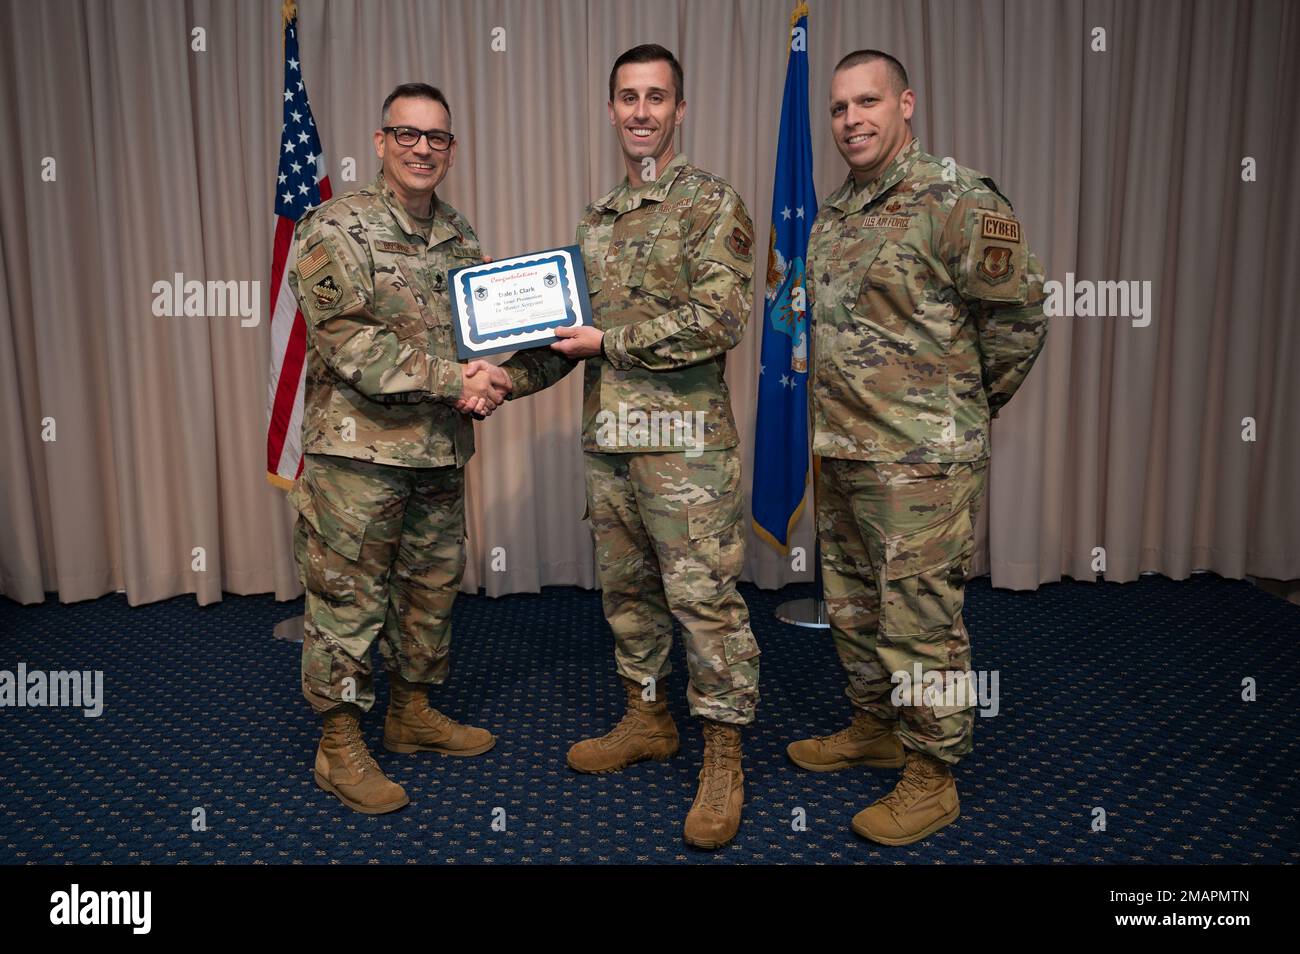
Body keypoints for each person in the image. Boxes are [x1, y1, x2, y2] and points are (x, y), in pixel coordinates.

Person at [482, 45, 759, 849]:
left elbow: (720, 322)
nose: (641, 111)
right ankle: (648, 718)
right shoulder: (595, 221)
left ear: (680, 109)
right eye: (628, 98)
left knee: (705, 605)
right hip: (610, 444)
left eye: (657, 97)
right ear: (611, 110)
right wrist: (497, 377)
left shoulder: (713, 204)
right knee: (629, 597)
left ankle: (723, 755)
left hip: (685, 450)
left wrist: (612, 340)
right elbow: (569, 343)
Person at [788, 50, 1049, 844]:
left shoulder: (958, 200)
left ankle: (932, 775)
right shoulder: (839, 210)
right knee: (857, 607)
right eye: (838, 109)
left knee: (921, 620)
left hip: (921, 463)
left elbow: (1017, 323)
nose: (851, 120)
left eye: (867, 102)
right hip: (844, 450)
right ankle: (874, 727)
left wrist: (957, 416)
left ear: (906, 103)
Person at [286, 82, 513, 814]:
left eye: (437, 137)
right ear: (381, 142)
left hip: (438, 455)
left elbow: (480, 336)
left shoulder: (458, 233)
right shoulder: (335, 227)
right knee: (347, 606)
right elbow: (352, 343)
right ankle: (339, 748)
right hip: (357, 461)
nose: (423, 149)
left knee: (427, 596)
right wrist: (459, 380)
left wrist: (519, 366)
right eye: (407, 135)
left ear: (452, 148)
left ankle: (411, 713)